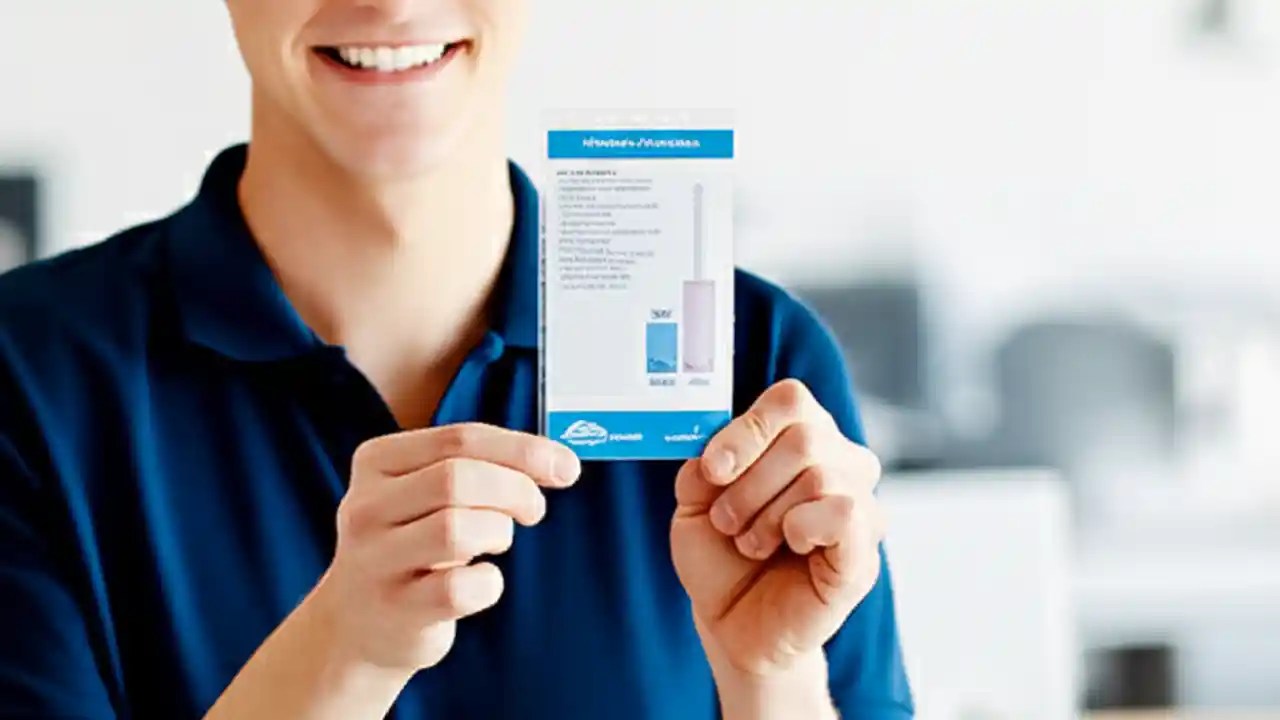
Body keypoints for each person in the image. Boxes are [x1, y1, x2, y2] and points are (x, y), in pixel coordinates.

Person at [0, 1, 913, 718]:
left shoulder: (756, 360)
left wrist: (772, 681)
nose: (392, 5)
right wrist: (340, 655)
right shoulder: (27, 377)